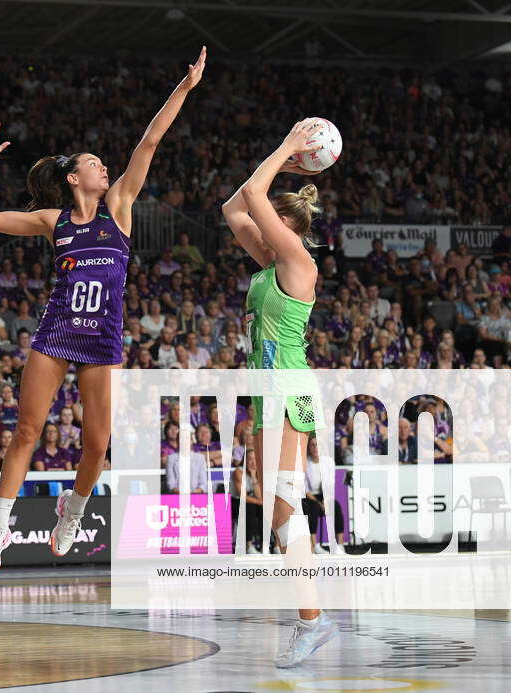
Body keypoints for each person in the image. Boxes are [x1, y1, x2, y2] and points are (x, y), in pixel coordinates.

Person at [0, 46, 208, 576]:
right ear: (75, 179)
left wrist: (184, 89)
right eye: (94, 164)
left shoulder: (120, 206)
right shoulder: (52, 219)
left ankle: (71, 511)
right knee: (28, 431)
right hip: (57, 332)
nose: (105, 167)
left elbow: (149, 141)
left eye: (104, 164)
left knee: (98, 445)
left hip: (102, 340)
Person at [221, 117, 337, 666]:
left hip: (288, 386)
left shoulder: (297, 262)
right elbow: (233, 207)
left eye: (272, 221)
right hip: (267, 389)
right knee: (275, 505)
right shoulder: (268, 264)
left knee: (283, 504)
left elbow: (252, 195)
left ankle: (311, 620)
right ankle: (312, 618)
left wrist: (287, 148)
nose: (259, 228)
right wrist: (285, 160)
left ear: (286, 225)